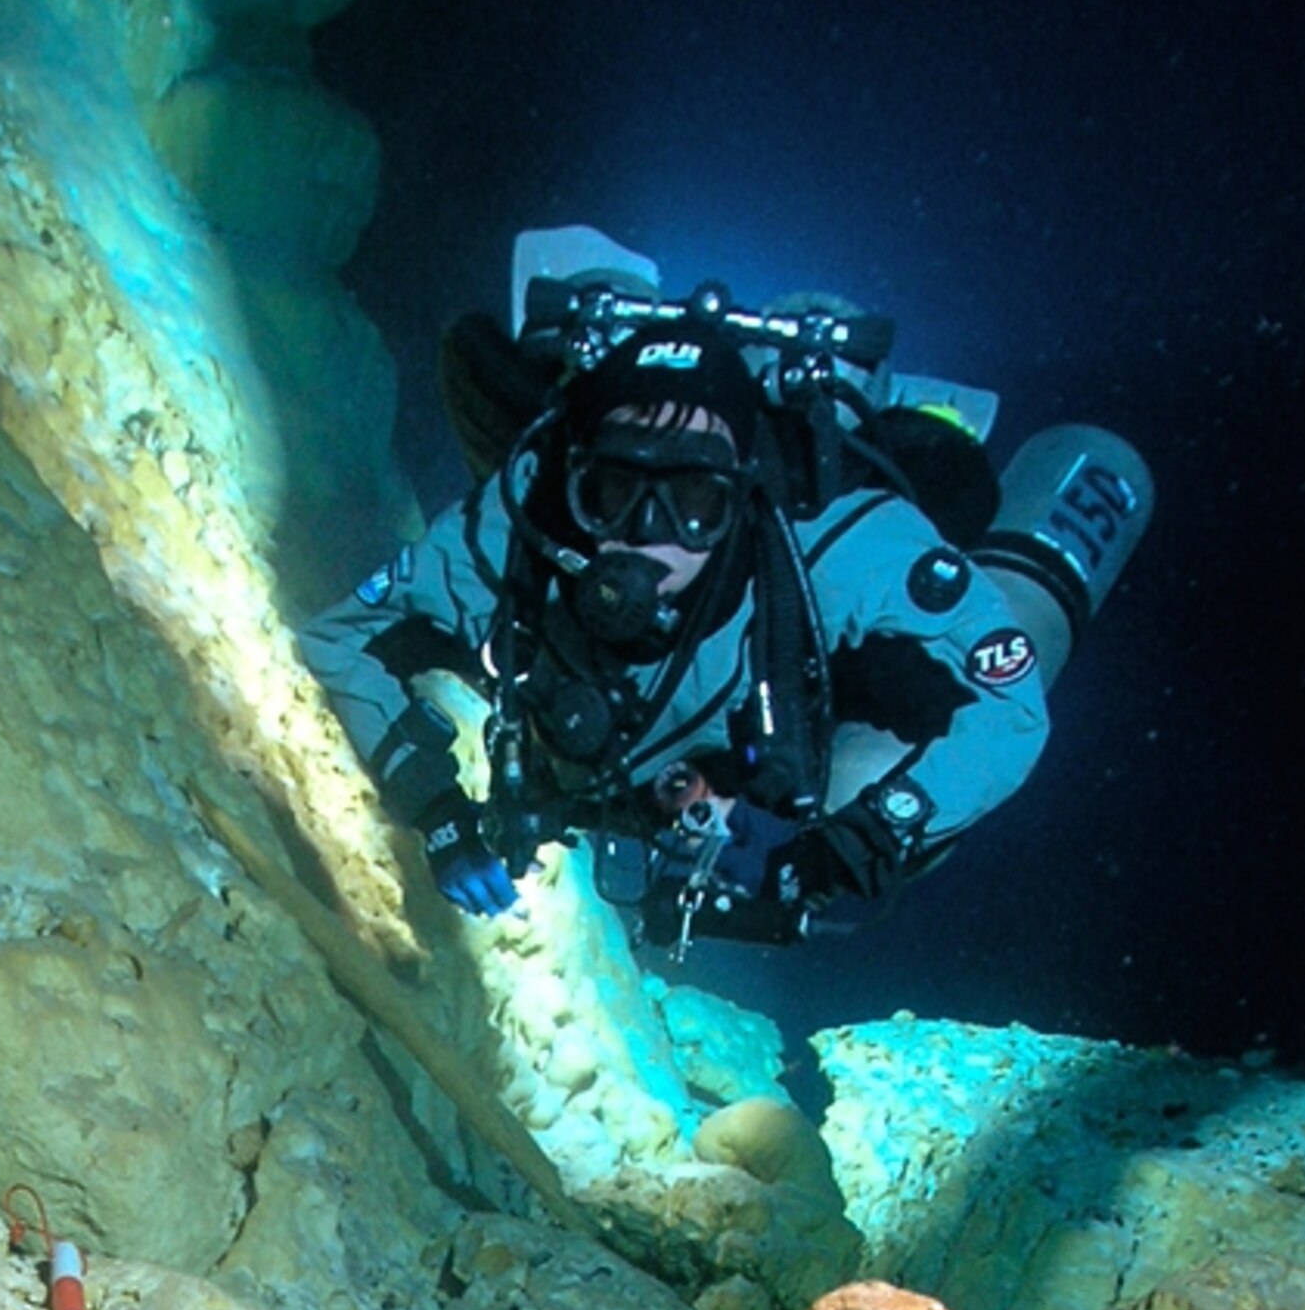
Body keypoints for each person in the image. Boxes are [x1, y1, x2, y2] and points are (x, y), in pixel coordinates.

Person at [300, 258, 1067, 952]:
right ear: (576, 482)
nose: (646, 538)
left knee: (872, 820)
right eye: (614, 492)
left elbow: (1009, 704)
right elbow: (340, 638)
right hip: (591, 731)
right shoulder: (516, 520)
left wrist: (877, 831)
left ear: (740, 497)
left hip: (784, 708)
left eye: (692, 503)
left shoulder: (834, 547)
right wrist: (433, 808)